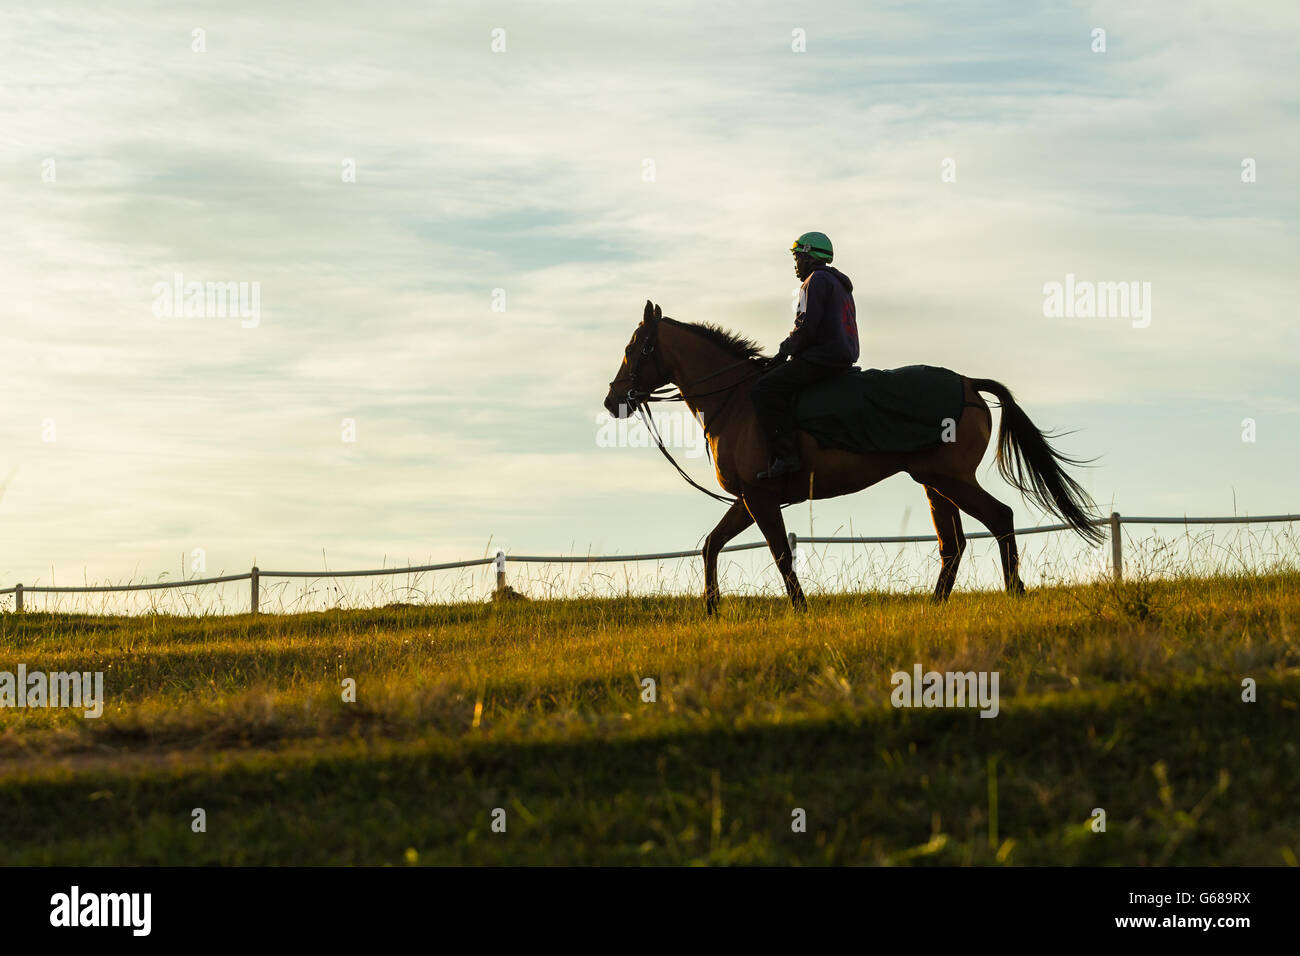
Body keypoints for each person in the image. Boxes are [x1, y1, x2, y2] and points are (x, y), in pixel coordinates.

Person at [752, 231, 858, 480]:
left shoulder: (816, 280)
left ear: (809, 257)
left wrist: (782, 352)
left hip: (823, 357)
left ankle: (787, 457)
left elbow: (807, 327)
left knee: (763, 389)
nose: (796, 264)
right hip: (840, 354)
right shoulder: (838, 283)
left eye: (798, 257)